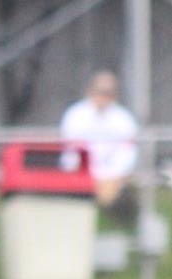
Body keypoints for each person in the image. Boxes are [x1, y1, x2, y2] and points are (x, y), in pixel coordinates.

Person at [59, 69, 139, 225]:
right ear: (90, 91)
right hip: (79, 172)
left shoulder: (123, 119)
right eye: (100, 92)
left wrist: (112, 175)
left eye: (108, 93)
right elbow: (71, 150)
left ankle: (108, 225)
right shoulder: (76, 115)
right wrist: (88, 174)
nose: (103, 97)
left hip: (113, 177)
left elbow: (127, 153)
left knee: (113, 191)